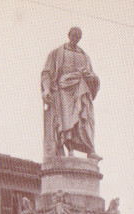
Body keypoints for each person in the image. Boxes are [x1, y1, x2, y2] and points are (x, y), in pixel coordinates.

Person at [41, 27, 100, 158]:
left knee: (84, 119)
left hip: (81, 88)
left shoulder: (84, 56)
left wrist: (91, 77)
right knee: (66, 121)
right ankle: (70, 150)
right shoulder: (56, 53)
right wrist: (46, 89)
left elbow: (93, 76)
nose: (76, 38)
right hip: (63, 89)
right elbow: (47, 73)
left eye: (78, 36)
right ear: (69, 35)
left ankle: (90, 150)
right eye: (74, 35)